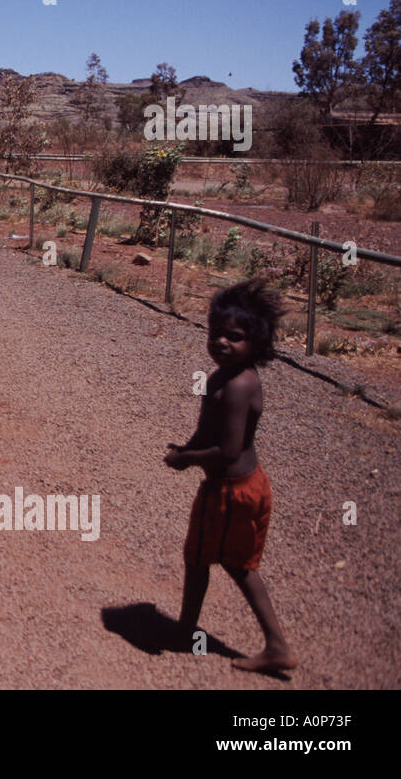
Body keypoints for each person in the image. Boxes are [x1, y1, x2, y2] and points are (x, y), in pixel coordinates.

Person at [164, 278, 297, 674]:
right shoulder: (219, 377)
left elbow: (228, 450)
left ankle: (276, 646)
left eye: (234, 337)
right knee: (198, 556)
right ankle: (186, 629)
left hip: (234, 491)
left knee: (238, 565)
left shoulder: (241, 385)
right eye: (216, 334)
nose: (222, 342)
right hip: (221, 489)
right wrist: (187, 447)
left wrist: (188, 459)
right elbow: (208, 430)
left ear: (256, 343)